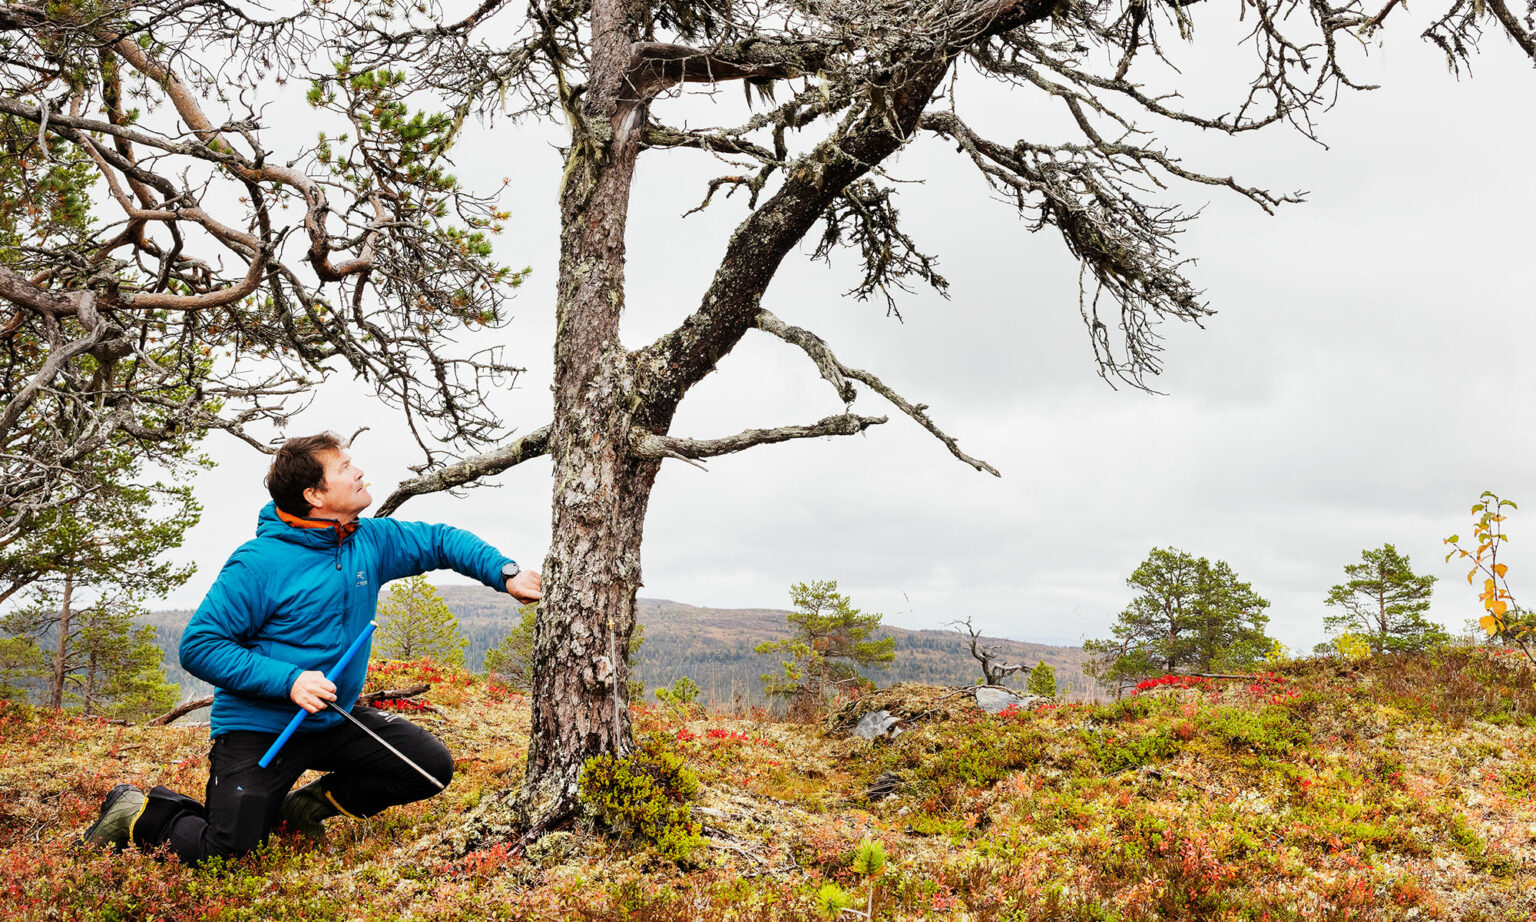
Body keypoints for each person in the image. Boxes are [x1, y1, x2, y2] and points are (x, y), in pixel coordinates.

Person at [81, 432, 541, 863]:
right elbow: (200, 645)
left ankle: (302, 810)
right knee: (229, 852)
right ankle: (139, 812)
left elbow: (441, 541)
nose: (359, 472)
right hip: (259, 729)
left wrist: (504, 572)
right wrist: (290, 680)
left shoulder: (369, 540)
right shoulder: (258, 563)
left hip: (332, 719)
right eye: (344, 467)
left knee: (427, 767)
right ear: (315, 496)